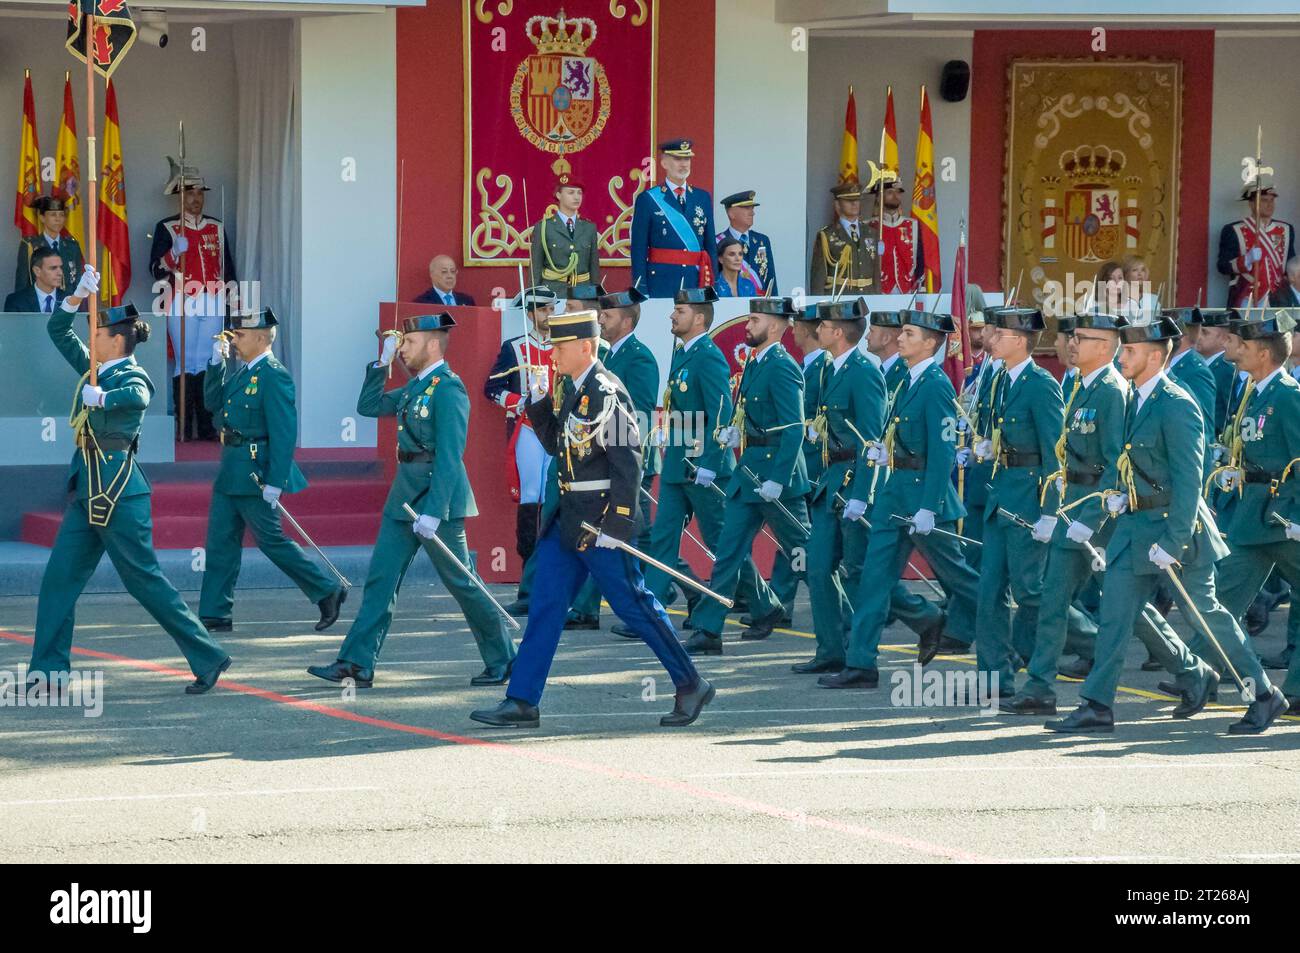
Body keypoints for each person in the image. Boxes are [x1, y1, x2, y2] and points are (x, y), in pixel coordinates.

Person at [470, 310, 714, 729]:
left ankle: (691, 682)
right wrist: (539, 402)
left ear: (585, 347)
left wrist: (617, 525)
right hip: (568, 520)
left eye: (560, 348)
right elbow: (554, 445)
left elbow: (628, 461)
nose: (552, 355)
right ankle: (522, 699)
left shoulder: (607, 391)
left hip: (600, 521)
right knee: (546, 605)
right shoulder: (571, 389)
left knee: (633, 605)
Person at [1046, 316, 1285, 735]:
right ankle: (1097, 705)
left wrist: (1174, 539)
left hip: (1178, 531)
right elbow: (1126, 463)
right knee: (1115, 617)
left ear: (1155, 356)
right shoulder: (1134, 399)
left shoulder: (1176, 403)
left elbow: (1190, 481)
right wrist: (1113, 500)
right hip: (1135, 528)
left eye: (1131, 351)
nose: (1123, 356)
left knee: (1207, 617)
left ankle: (1263, 694)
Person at [29, 266, 232, 696]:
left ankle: (209, 656)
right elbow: (57, 331)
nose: (92, 338)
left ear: (116, 339)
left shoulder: (126, 375)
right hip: (88, 490)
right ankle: (48, 671)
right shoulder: (97, 368)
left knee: (145, 581)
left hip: (120, 492)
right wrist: (77, 298)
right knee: (59, 579)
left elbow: (142, 395)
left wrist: (103, 397)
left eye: (97, 332)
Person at [309, 313, 517, 688]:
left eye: (408, 342)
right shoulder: (414, 387)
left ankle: (504, 658)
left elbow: (451, 456)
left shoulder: (448, 389)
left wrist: (434, 513)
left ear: (432, 343)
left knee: (462, 582)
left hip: (439, 501)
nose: (402, 348)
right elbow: (368, 406)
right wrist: (381, 363)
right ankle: (357, 662)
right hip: (404, 497)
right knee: (381, 580)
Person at [821, 309, 981, 688]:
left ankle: (1011, 637)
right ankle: (862, 663)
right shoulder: (905, 381)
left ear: (930, 342)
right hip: (895, 495)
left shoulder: (936, 383)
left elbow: (942, 451)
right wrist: (881, 453)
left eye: (909, 333)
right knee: (873, 581)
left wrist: (929, 506)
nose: (900, 338)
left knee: (963, 581)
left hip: (924, 498)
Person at [196, 308, 346, 634]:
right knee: (220, 542)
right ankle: (215, 611)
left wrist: (276, 481)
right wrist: (216, 364)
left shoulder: (273, 374)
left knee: (271, 541)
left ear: (262, 338)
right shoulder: (242, 372)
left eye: (241, 335)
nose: (234, 340)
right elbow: (212, 403)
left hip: (255, 469)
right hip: (231, 468)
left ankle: (326, 590)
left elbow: (283, 431)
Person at [685, 297, 821, 655]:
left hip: (778, 477)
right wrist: (733, 431)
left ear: (775, 326)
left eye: (755, 319)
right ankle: (708, 629)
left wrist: (779, 477)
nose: (748, 325)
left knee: (805, 555)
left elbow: (793, 429)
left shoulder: (782, 366)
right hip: (750, 472)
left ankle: (845, 620)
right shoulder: (756, 363)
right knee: (728, 551)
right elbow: (750, 412)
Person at [639, 287, 764, 632]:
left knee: (722, 541)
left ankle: (763, 603)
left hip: (704, 466)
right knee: (663, 536)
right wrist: (670, 433)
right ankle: (649, 613)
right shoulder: (683, 352)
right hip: (680, 463)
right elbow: (684, 408)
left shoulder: (708, 356)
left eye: (679, 310)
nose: (672, 315)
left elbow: (720, 411)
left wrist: (712, 460)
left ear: (698, 318)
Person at [968, 308, 1066, 696]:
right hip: (1000, 494)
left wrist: (1050, 511)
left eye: (999, 333)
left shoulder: (1040, 384)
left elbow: (1054, 452)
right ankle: (994, 679)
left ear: (1021, 340)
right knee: (989, 591)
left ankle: (1080, 646)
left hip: (1028, 499)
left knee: (1030, 592)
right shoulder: (997, 382)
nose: (990, 338)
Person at [1211, 307, 1300, 718]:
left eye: (1244, 344)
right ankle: (1198, 671)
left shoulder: (1287, 396)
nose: (1238, 350)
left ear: (1264, 353)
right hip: (1252, 515)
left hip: (1284, 518)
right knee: (1220, 598)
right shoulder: (1252, 392)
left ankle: (1296, 688)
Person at [795, 299, 887, 671]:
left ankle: (864, 655)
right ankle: (830, 649)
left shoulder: (863, 371)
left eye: (824, 324)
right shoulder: (833, 369)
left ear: (837, 332)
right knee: (818, 568)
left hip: (852, 482)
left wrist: (863, 494)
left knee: (857, 572)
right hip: (831, 480)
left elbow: (871, 438)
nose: (817, 329)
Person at [571, 286, 659, 632]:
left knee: (638, 537)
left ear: (625, 319)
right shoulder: (607, 356)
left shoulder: (639, 357)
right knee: (613, 533)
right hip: (603, 461)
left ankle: (676, 593)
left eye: (606, 316)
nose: (601, 320)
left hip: (628, 461)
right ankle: (586, 608)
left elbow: (635, 412)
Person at [484, 286, 557, 615]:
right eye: (542, 309)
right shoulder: (514, 348)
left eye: (551, 308)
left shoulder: (563, 346)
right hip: (528, 427)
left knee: (555, 496)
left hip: (557, 429)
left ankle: (555, 576)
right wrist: (518, 403)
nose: (548, 314)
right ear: (530, 314)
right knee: (532, 495)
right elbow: (492, 388)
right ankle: (530, 576)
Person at [149, 169, 236, 441]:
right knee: (185, 361)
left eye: (199, 193)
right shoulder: (167, 227)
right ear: (179, 196)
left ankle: (209, 423)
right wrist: (173, 252)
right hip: (181, 299)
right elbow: (154, 270)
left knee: (211, 359)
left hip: (213, 297)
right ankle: (184, 424)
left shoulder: (217, 226)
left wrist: (232, 306)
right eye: (189, 192)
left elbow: (228, 269)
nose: (196, 198)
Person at [630, 138, 716, 296]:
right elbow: (639, 248)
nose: (684, 164)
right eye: (677, 159)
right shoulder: (648, 199)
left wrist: (713, 285)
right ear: (664, 163)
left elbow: (710, 246)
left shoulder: (702, 197)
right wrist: (640, 288)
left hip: (695, 280)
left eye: (687, 158)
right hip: (662, 282)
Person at [1218, 175, 1296, 308]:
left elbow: (1291, 265)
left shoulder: (1286, 229)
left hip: (1279, 297)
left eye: (1272, 200)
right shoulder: (1233, 230)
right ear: (1251, 203)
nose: (1269, 204)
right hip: (1247, 296)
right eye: (1264, 200)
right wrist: (1246, 260)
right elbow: (1223, 266)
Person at [530, 172, 601, 297]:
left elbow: (594, 268)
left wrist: (595, 296)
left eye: (579, 193)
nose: (576, 197)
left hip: (583, 294)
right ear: (558, 195)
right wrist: (534, 299)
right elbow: (535, 268)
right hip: (554, 293)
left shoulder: (589, 228)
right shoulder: (544, 227)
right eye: (571, 192)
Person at [810, 181, 876, 295]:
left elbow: (876, 273)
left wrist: (878, 299)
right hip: (840, 299)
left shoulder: (871, 232)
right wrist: (819, 306)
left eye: (857, 200)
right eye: (849, 201)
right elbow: (818, 277)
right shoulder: (827, 235)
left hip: (868, 297)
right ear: (837, 204)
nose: (854, 204)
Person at [14, 195, 83, 295]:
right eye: (53, 215)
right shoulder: (30, 246)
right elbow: (22, 284)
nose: (58, 219)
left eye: (61, 215)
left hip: (67, 306)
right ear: (42, 217)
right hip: (38, 307)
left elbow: (77, 283)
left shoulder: (72, 246)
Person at [865, 179, 922, 294]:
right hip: (878, 290)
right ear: (879, 197)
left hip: (907, 290)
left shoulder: (912, 225)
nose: (895, 196)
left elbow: (920, 260)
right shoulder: (868, 226)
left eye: (898, 192)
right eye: (890, 192)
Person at [716, 190, 776, 293]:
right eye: (747, 208)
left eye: (752, 208)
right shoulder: (717, 242)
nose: (752, 213)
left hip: (760, 305)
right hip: (731, 302)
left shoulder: (762, 241)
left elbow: (771, 278)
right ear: (731, 214)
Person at [5, 246, 69, 313]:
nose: (60, 273)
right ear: (37, 271)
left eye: (60, 267)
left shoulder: (70, 300)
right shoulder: (16, 301)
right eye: (53, 268)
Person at [1116, 256, 1160, 324]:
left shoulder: (1153, 299)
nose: (1140, 274)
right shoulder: (1117, 299)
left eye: (1142, 270)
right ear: (1126, 274)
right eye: (1135, 270)